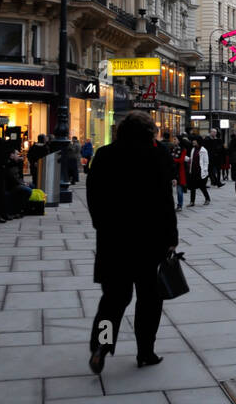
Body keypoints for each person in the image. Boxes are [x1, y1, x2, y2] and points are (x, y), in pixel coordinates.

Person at [86, 111, 178, 373]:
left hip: (114, 241)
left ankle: (101, 345)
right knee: (149, 299)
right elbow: (164, 201)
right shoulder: (156, 154)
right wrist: (171, 238)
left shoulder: (104, 155)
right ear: (149, 132)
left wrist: (102, 225)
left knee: (114, 298)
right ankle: (145, 351)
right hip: (149, 241)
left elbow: (94, 197)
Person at [183, 135, 211, 206]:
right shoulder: (193, 149)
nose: (193, 141)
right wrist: (186, 158)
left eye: (194, 140)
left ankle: (207, 199)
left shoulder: (203, 150)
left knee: (202, 186)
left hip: (200, 171)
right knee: (192, 187)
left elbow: (206, 162)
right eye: (193, 140)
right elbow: (192, 159)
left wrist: (205, 171)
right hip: (193, 170)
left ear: (198, 141)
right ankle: (192, 202)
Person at [169, 136, 187, 210]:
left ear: (179, 141)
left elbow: (181, 160)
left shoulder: (183, 149)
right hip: (171, 171)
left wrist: (173, 160)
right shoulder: (171, 148)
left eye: (175, 139)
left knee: (179, 190)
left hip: (179, 171)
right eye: (173, 139)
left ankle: (180, 205)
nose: (174, 141)